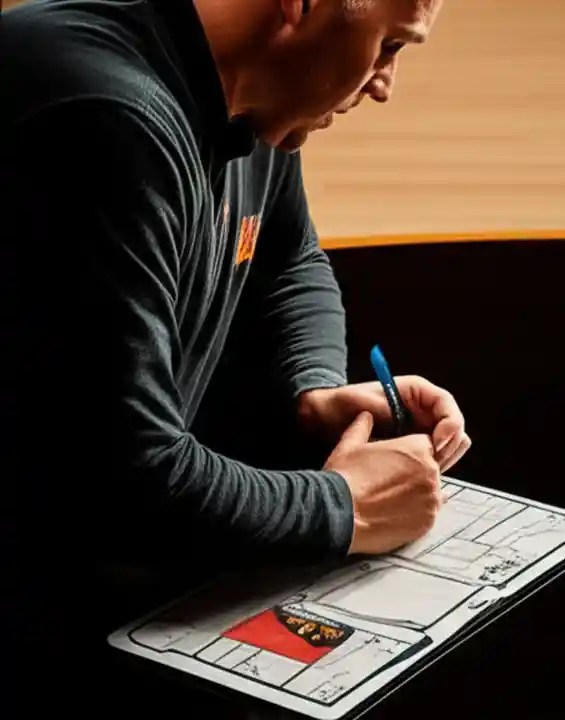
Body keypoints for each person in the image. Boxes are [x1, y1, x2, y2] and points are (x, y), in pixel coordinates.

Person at [0, 0, 470, 700]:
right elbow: (128, 485)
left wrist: (312, 391)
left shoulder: (244, 102)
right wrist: (346, 507)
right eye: (390, 45)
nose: (383, 84)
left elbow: (288, 260)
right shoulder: (103, 120)